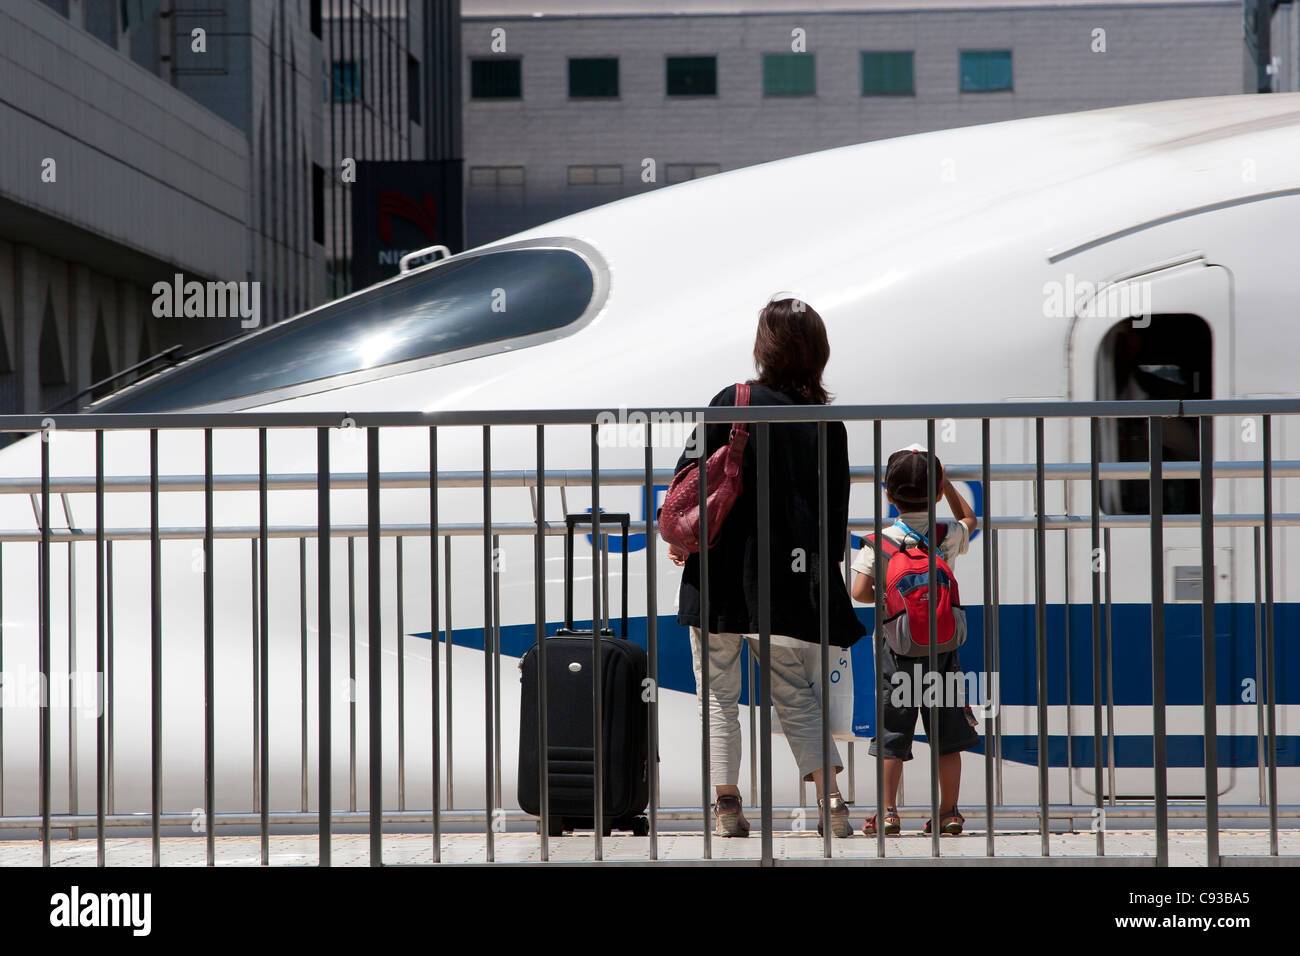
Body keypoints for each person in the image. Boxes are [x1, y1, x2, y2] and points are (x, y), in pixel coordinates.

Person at [668, 296, 866, 838]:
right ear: (819, 352)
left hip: (717, 577)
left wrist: (684, 541)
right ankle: (832, 803)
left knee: (717, 694)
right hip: (785, 585)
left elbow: (687, 486)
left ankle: (728, 807)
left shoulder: (734, 401)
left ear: (764, 346)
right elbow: (834, 520)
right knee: (793, 691)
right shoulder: (828, 423)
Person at [850, 446, 980, 836]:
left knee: (892, 734)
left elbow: (859, 592)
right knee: (946, 735)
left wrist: (891, 597)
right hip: (942, 651)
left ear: (887, 495)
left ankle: (887, 812)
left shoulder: (880, 540)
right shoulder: (949, 533)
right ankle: (949, 813)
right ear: (937, 493)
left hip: (896, 651)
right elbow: (970, 518)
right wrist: (947, 483)